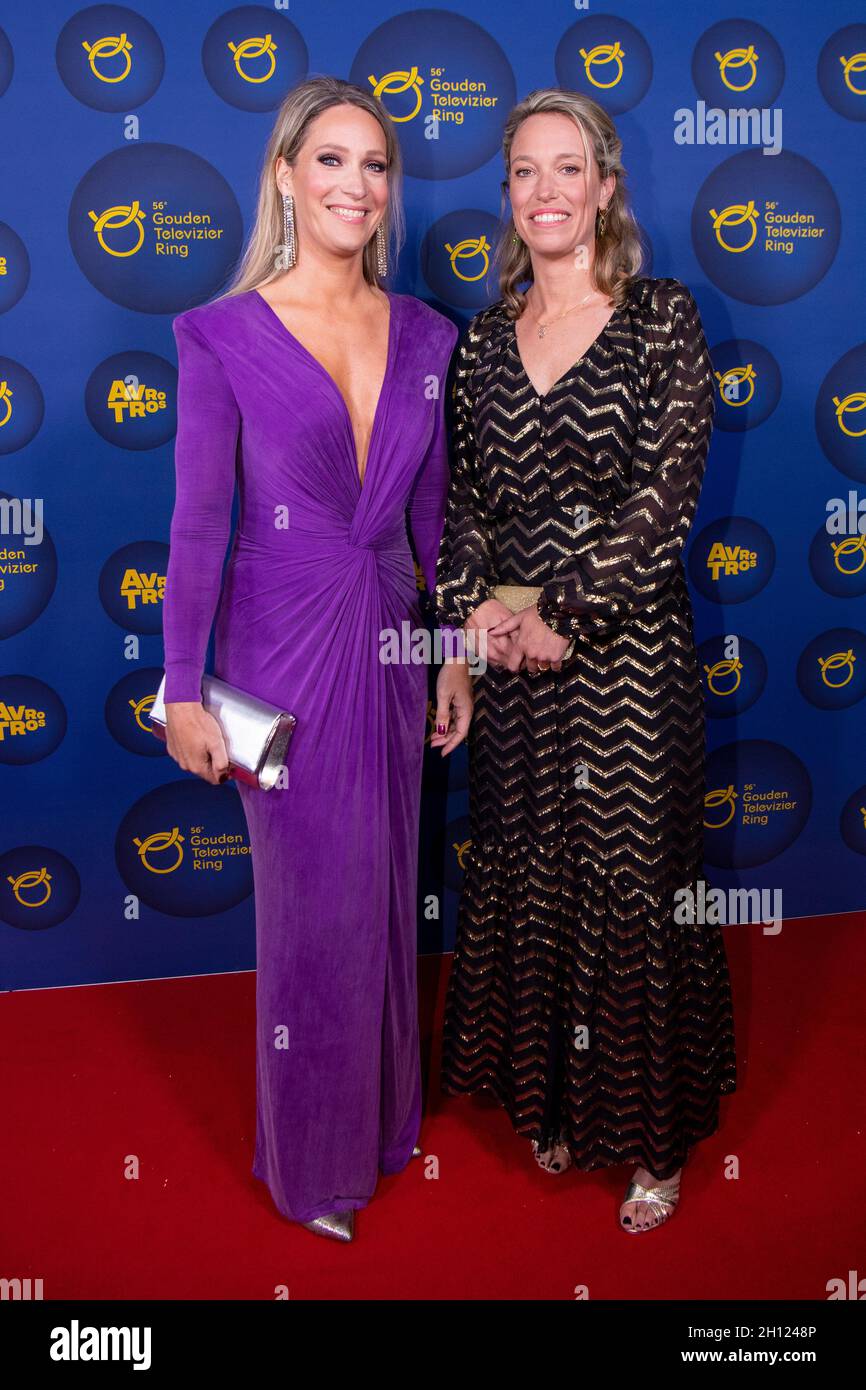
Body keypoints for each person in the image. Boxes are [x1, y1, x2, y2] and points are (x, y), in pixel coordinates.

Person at [161, 76, 469, 1243]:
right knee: (309, 911)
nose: (356, 185)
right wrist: (183, 687)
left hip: (392, 636)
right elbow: (197, 521)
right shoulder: (220, 333)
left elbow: (428, 519)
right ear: (286, 175)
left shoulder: (429, 333)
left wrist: (445, 655)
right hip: (281, 646)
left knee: (385, 889)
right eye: (330, 161)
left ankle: (385, 1119)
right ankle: (311, 1164)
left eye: (375, 166)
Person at [433, 88, 737, 1233]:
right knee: (537, 872)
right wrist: (480, 613)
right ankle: (557, 1102)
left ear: (605, 186)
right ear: (505, 195)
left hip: (626, 664)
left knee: (626, 883)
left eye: (569, 169)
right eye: (525, 171)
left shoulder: (661, 316)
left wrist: (563, 607)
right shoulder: (476, 341)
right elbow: (460, 502)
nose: (547, 190)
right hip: (517, 673)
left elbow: (667, 496)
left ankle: (649, 1141)